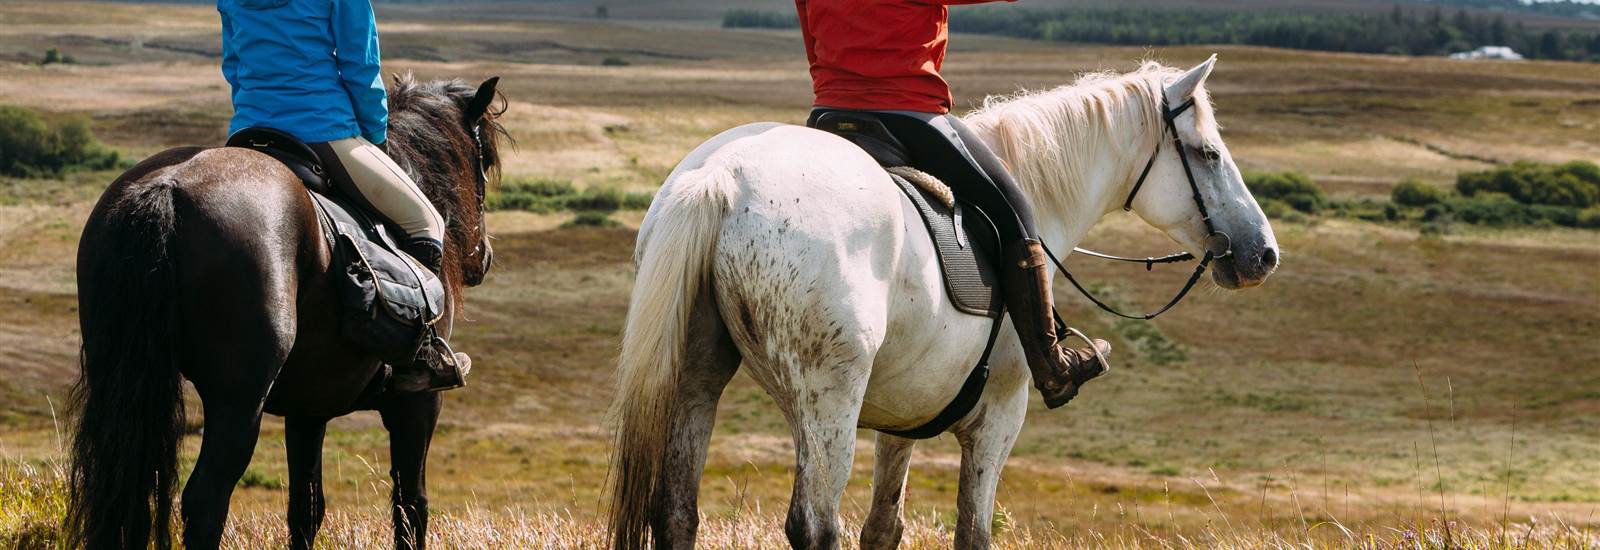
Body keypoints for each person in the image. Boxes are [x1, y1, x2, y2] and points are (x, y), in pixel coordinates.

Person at [796, 0, 1110, 408]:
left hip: (828, 113)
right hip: (906, 112)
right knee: (1016, 211)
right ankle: (1052, 367)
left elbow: (810, 37)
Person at [218, 0, 467, 392]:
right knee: (427, 222)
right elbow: (360, 66)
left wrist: (253, 115)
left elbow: (233, 64)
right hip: (323, 127)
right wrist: (374, 137)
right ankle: (420, 354)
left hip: (250, 131)